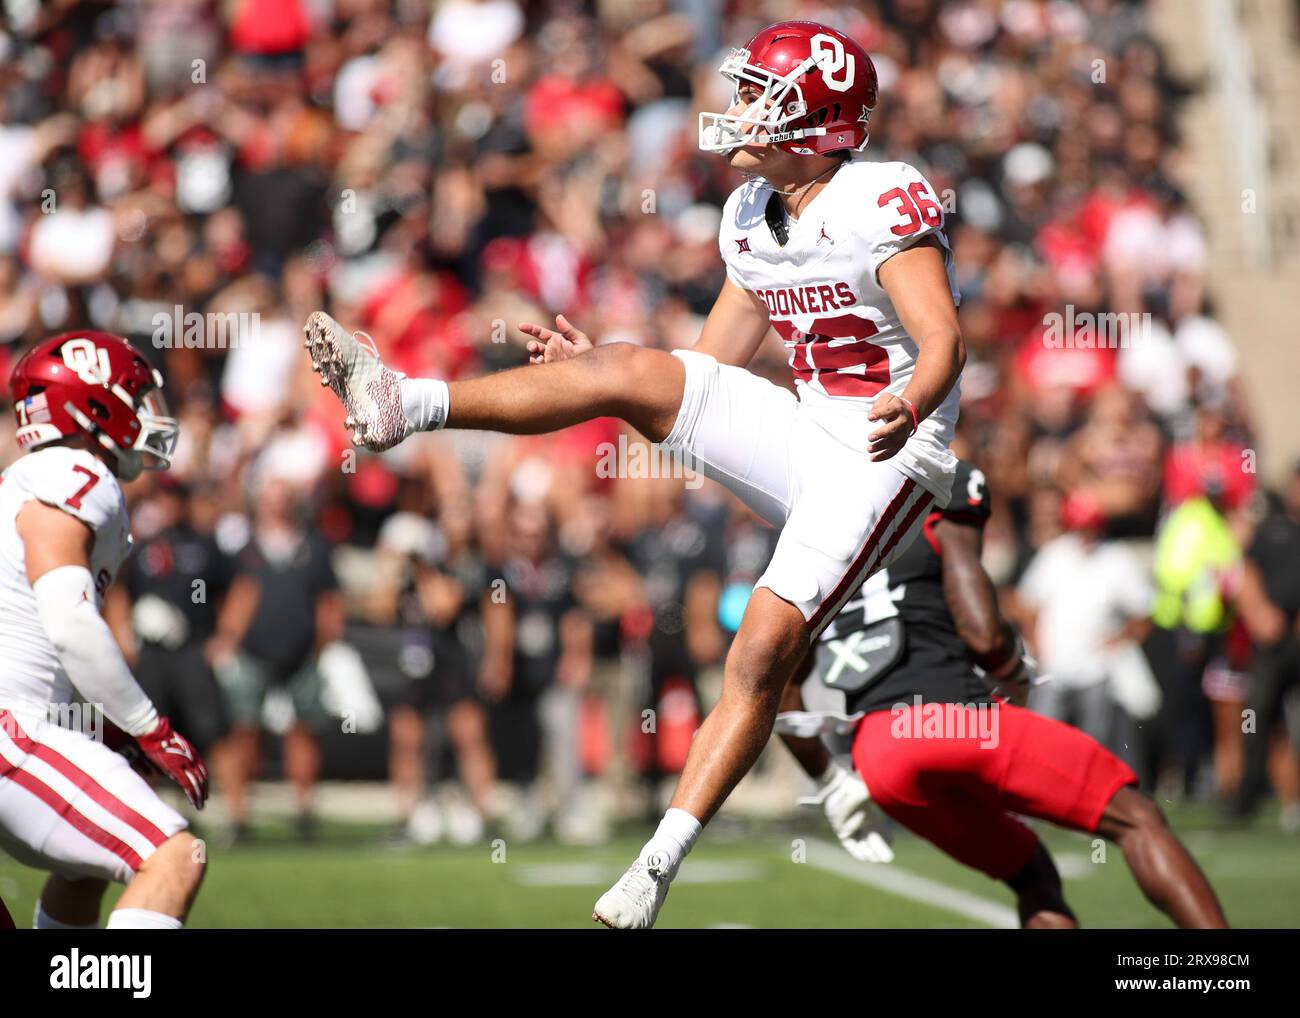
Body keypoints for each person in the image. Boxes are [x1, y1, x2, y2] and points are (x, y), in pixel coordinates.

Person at [304, 21, 965, 928]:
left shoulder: (877, 196)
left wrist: (915, 400)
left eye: (758, 94)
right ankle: (400, 403)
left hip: (892, 447)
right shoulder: (748, 216)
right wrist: (603, 371)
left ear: (815, 117)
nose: (738, 109)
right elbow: (708, 368)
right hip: (811, 426)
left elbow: (944, 340)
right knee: (627, 369)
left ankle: (656, 866)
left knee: (761, 646)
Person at [781, 460, 1228, 927]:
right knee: (1137, 818)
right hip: (954, 720)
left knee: (1031, 873)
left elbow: (779, 692)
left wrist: (831, 783)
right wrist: (1013, 668)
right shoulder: (939, 482)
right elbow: (983, 634)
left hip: (878, 753)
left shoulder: (809, 531)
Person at [0, 331, 208, 929]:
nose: (148, 413)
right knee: (174, 855)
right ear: (92, 404)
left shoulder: (22, 480)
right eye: (135, 396)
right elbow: (68, 616)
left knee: (83, 866)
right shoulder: (73, 470)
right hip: (11, 729)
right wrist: (148, 727)